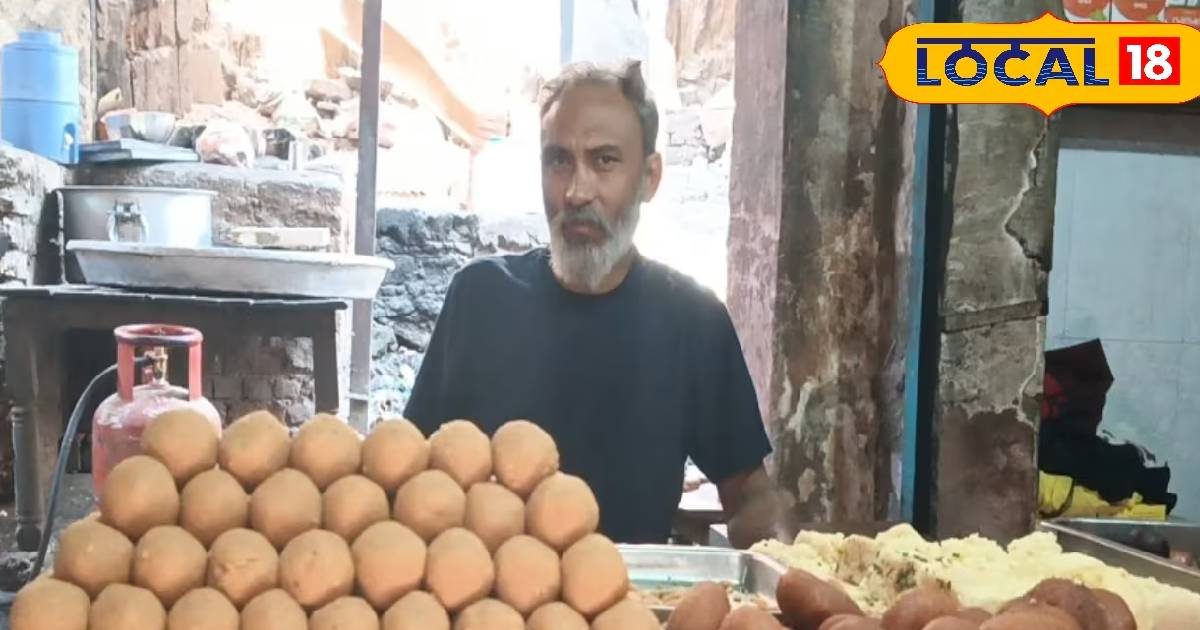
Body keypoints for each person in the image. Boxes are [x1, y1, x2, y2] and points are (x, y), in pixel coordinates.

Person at [404, 60, 777, 548]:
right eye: (559, 160)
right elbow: (411, 467)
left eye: (604, 161)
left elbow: (749, 493)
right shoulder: (478, 298)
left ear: (649, 178)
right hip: (485, 587)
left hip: (631, 590)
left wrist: (781, 560)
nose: (577, 192)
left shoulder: (693, 323)